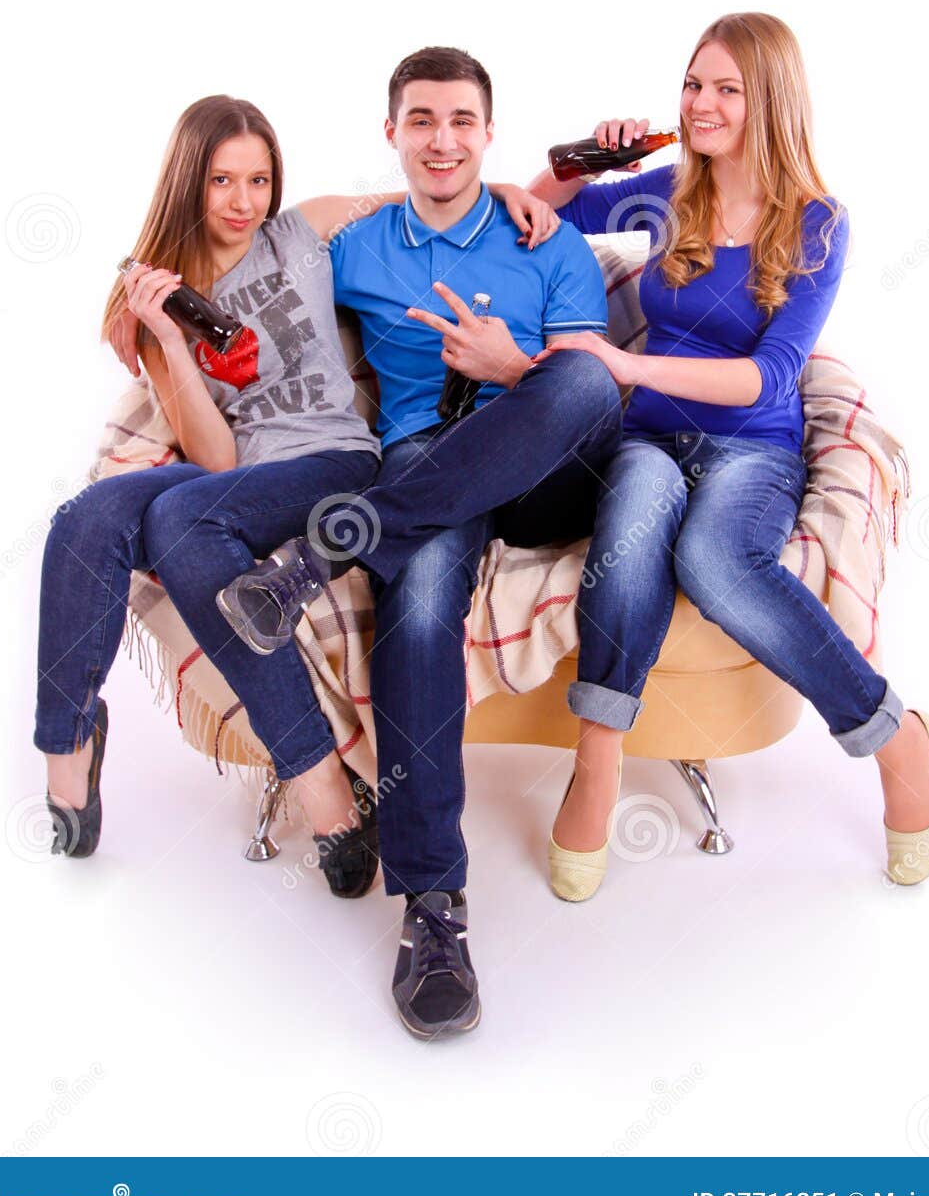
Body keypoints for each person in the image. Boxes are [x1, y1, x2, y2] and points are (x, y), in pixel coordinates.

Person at [38, 92, 554, 900]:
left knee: (177, 519)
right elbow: (213, 456)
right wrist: (171, 341)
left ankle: (319, 790)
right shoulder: (159, 312)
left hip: (336, 463)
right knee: (88, 515)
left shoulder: (304, 229)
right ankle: (67, 745)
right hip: (242, 477)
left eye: (258, 180)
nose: (244, 203)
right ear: (187, 186)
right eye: (222, 182)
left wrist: (522, 191)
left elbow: (429, 196)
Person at [218, 46, 624, 1039]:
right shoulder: (360, 248)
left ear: (490, 133)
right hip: (423, 468)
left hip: (539, 466)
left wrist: (511, 364)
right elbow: (254, 251)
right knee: (417, 599)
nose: (441, 140)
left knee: (576, 381)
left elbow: (589, 388)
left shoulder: (547, 241)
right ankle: (432, 908)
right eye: (420, 121)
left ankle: (325, 552)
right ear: (391, 131)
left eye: (460, 122)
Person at [526, 12, 929, 899]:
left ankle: (891, 734)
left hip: (750, 447)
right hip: (646, 436)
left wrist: (630, 363)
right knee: (631, 526)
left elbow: (772, 376)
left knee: (714, 556)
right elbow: (537, 217)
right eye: (691, 84)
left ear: (772, 103)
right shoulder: (666, 191)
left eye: (726, 88)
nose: (701, 103)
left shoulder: (817, 223)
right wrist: (579, 163)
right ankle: (597, 758)